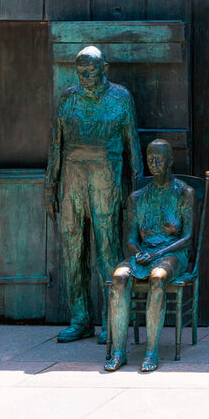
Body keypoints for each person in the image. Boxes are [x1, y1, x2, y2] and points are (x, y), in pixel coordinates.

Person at [47, 46, 142, 344]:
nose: (85, 75)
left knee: (107, 248)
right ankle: (80, 318)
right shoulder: (68, 97)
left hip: (105, 177)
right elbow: (56, 146)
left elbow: (133, 146)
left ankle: (111, 320)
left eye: (90, 70)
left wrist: (136, 194)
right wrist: (50, 186)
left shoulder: (121, 98)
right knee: (73, 247)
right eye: (80, 71)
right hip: (72, 177)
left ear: (105, 68)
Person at [105, 139, 197, 374]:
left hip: (173, 253)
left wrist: (158, 253)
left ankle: (151, 350)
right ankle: (118, 352)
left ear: (170, 160)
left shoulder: (184, 193)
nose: (153, 163)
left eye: (159, 159)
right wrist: (139, 253)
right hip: (143, 253)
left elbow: (187, 237)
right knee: (119, 277)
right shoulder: (138, 198)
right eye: (149, 159)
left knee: (158, 277)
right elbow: (132, 239)